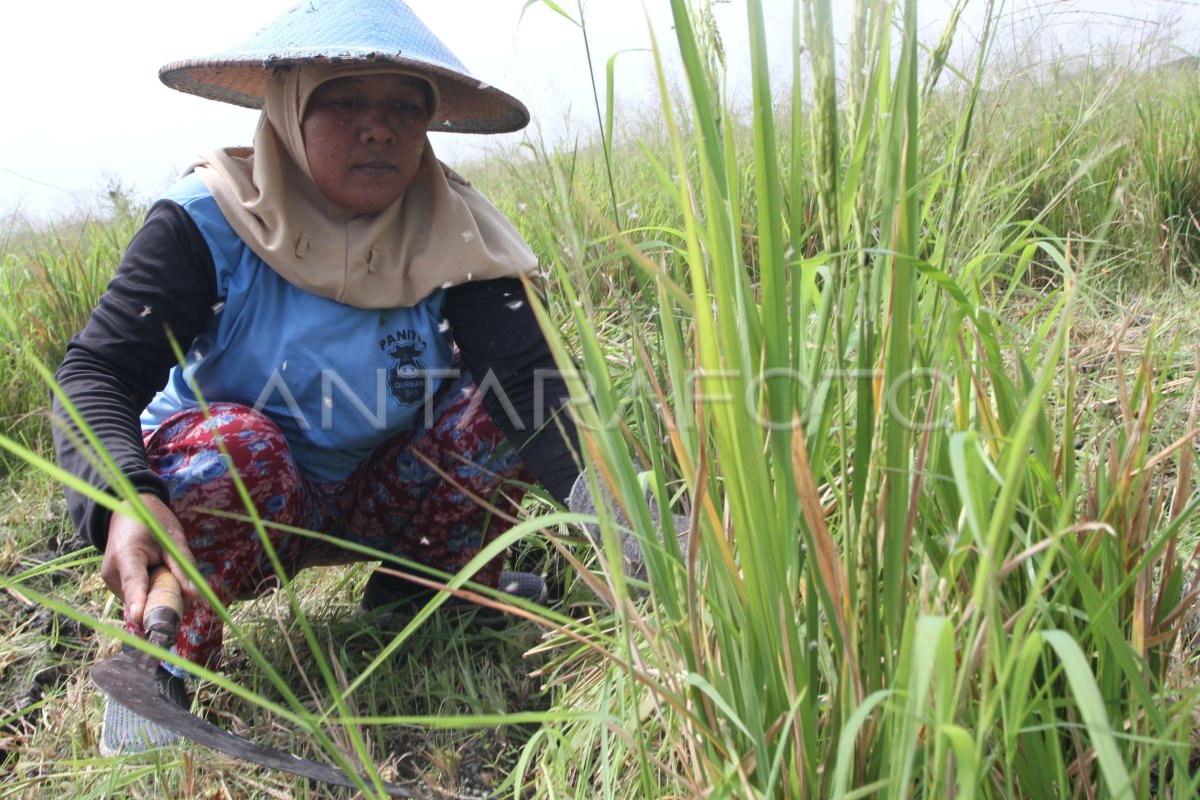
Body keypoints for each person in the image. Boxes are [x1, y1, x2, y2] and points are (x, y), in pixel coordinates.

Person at [52, 0, 581, 756]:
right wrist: (119, 496)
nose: (380, 127)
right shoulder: (209, 220)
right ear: (289, 106)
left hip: (384, 483)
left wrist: (624, 515)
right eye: (345, 101)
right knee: (238, 446)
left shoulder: (451, 225)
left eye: (405, 104)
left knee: (495, 414)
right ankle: (164, 656)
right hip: (247, 494)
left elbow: (532, 385)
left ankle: (423, 591)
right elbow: (97, 369)